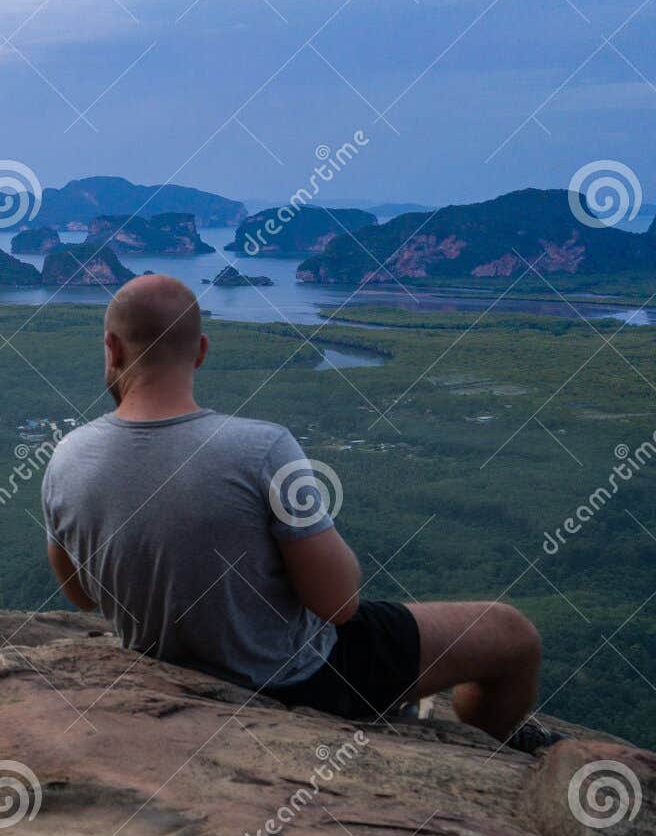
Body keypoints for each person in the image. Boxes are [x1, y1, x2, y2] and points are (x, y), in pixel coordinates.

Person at [40, 273, 551, 748]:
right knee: (511, 635)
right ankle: (492, 749)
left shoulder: (64, 459)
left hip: (158, 670)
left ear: (112, 348)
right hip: (298, 681)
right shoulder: (263, 450)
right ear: (200, 351)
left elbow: (81, 595)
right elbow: (340, 605)